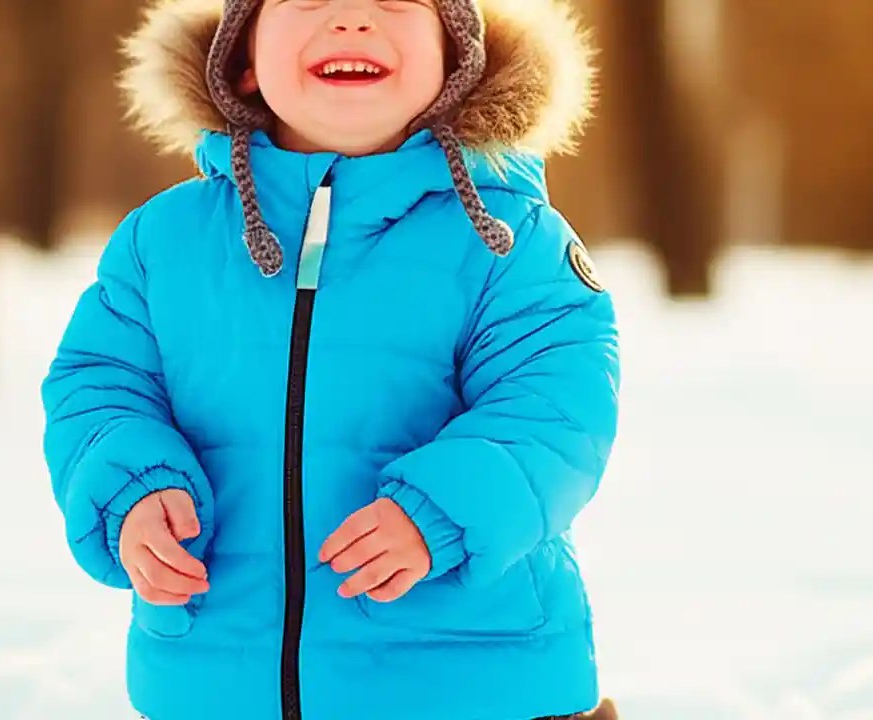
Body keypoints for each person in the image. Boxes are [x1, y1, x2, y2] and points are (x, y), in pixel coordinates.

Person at [41, 0, 621, 717]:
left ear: (456, 56)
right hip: (221, 683)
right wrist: (132, 490)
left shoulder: (510, 242)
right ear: (242, 58)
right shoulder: (164, 242)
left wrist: (443, 511)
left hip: (471, 683)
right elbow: (99, 388)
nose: (351, 19)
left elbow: (556, 408)